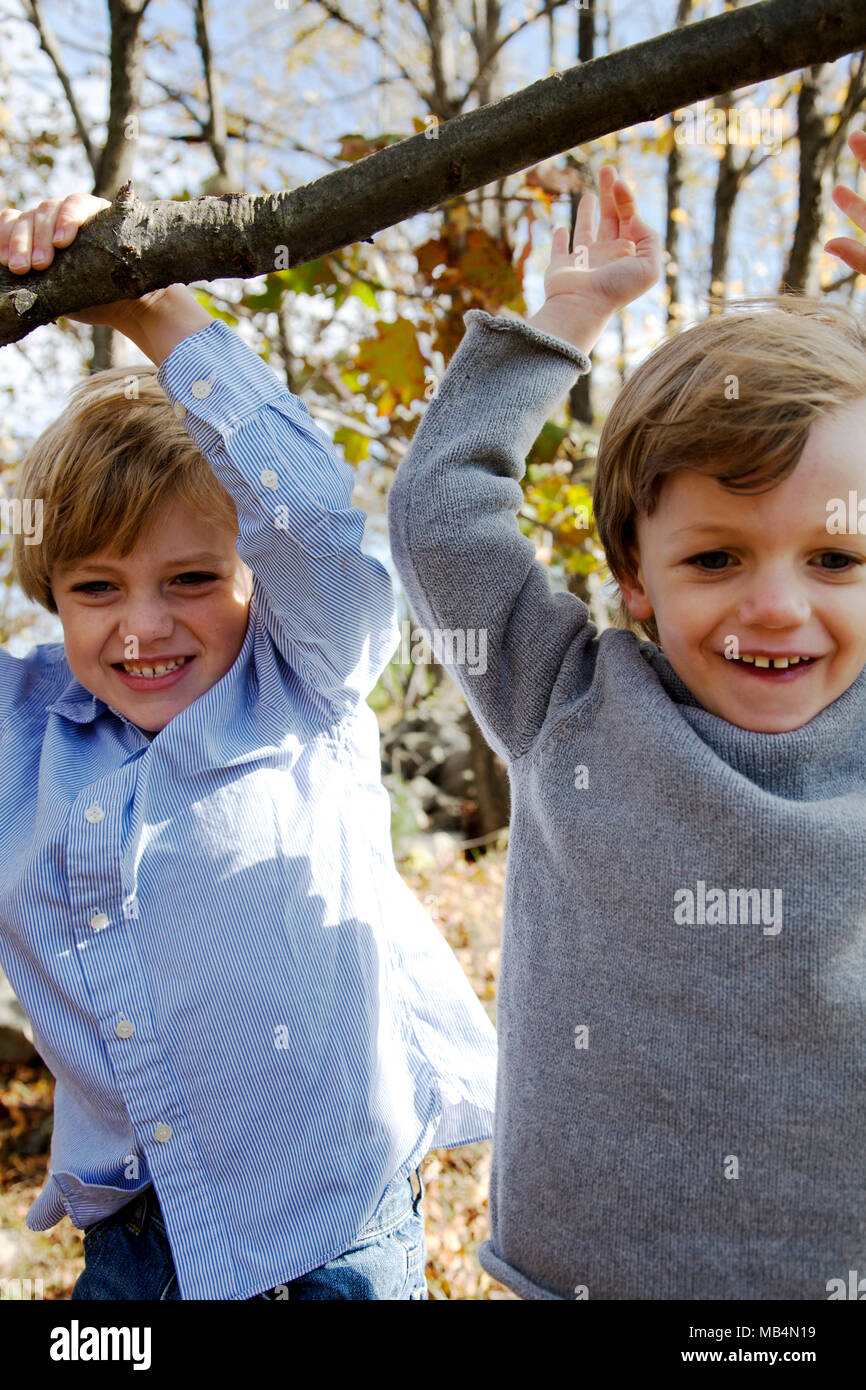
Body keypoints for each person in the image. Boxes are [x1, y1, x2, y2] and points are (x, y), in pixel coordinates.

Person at [387, 142, 866, 1299]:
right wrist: (565, 311)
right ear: (632, 576)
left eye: (835, 556)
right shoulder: (568, 701)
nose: (774, 605)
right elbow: (439, 518)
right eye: (713, 555)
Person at [0, 193, 497, 1300]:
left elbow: (312, 520)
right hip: (134, 1252)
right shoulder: (19, 731)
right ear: (51, 593)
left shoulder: (305, 683)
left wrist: (155, 311)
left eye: (190, 579)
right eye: (95, 588)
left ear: (251, 582)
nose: (143, 626)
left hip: (330, 1233)